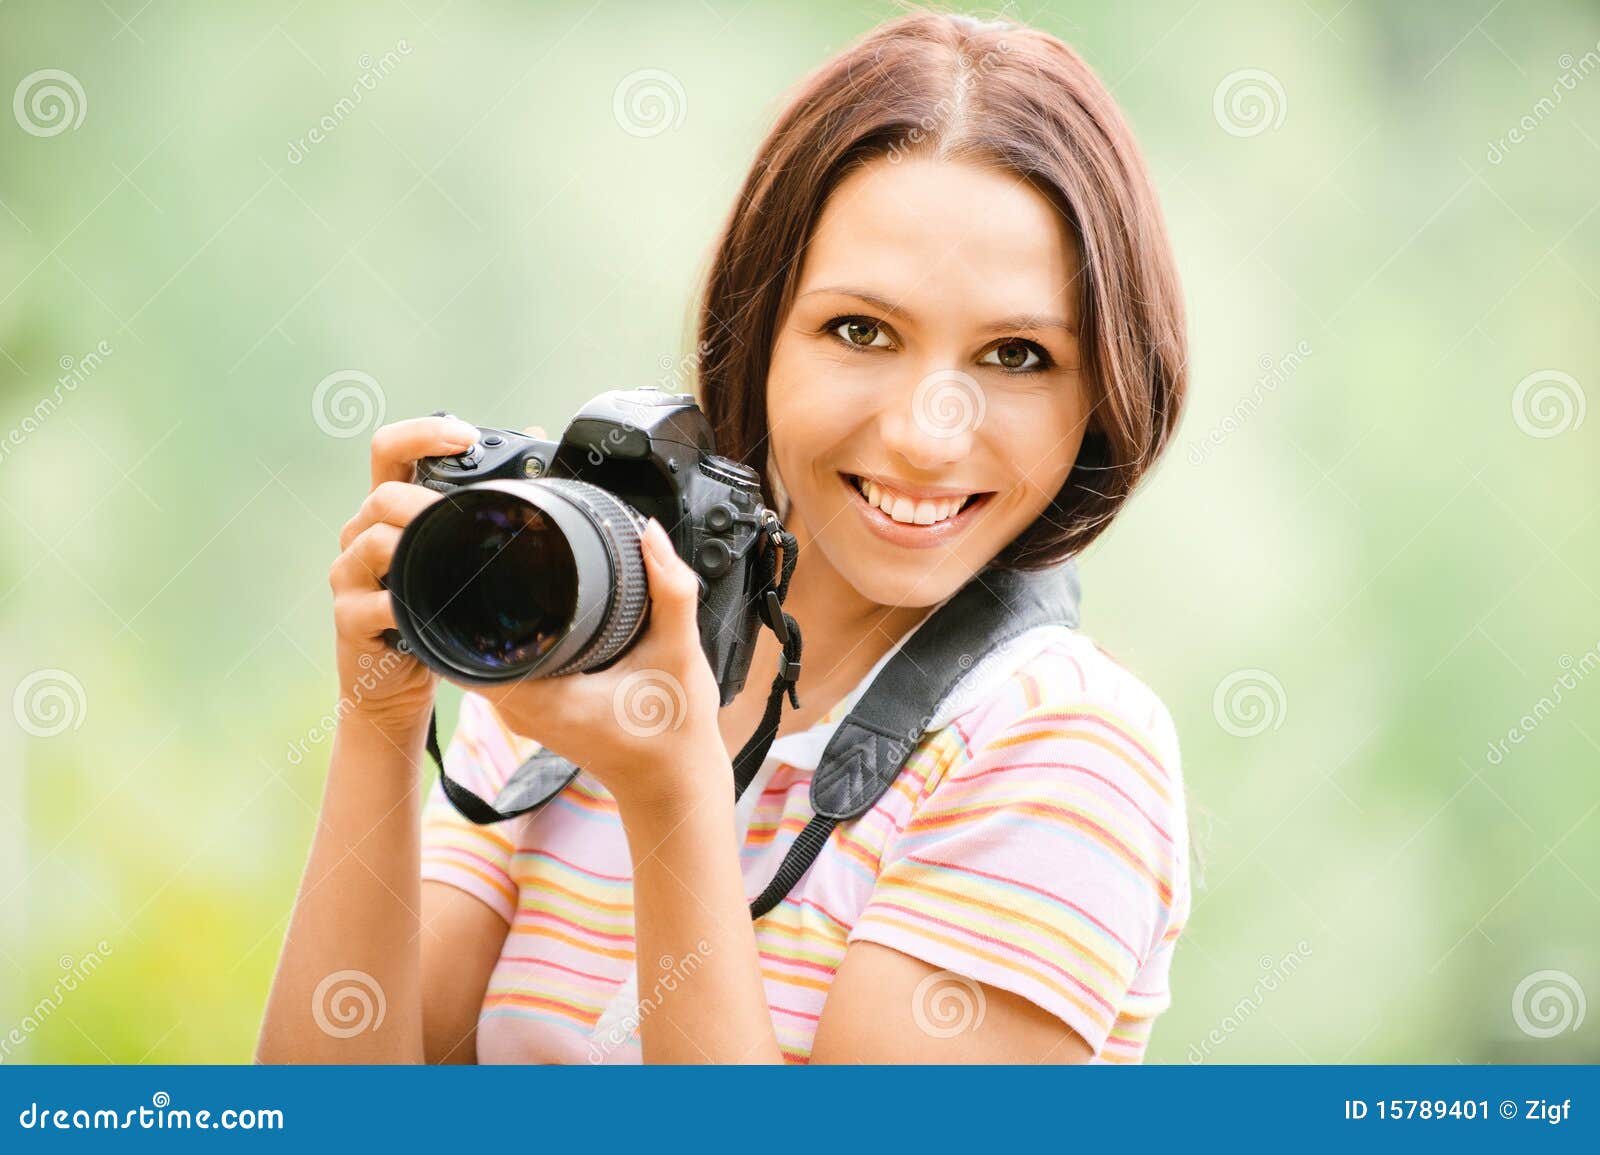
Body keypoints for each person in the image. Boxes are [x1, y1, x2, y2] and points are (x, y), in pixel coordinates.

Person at [259, 9, 1189, 1065]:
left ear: (1103, 390)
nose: (927, 435)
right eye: (861, 331)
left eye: (1016, 355)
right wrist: (382, 719)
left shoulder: (1062, 747)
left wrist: (671, 798)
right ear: (760, 336)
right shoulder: (582, 627)